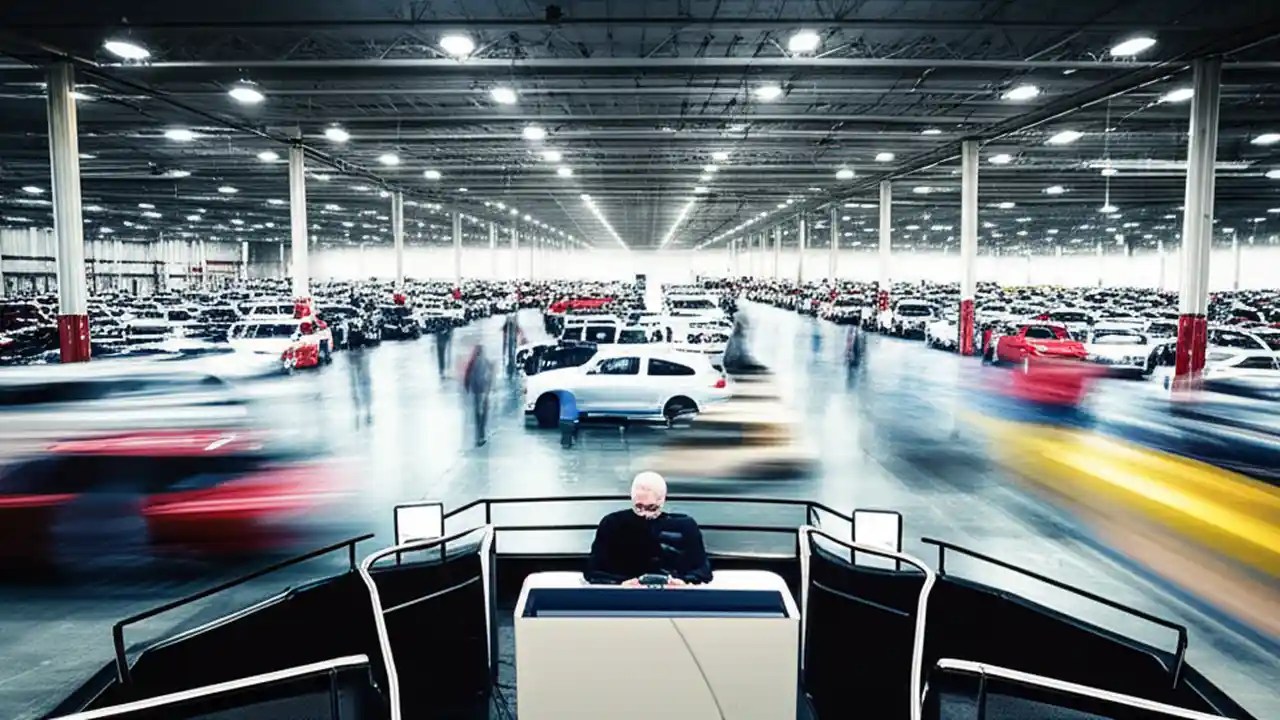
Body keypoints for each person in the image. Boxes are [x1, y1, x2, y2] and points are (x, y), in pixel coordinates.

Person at [585, 472, 712, 586]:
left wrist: (683, 582)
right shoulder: (612, 524)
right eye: (639, 507)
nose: (645, 513)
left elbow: (703, 571)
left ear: (662, 499)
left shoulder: (685, 526)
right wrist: (621, 583)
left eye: (652, 507)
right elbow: (593, 571)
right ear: (632, 498)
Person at [462, 344, 493, 446]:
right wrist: (489, 388)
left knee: (478, 413)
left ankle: (479, 435)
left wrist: (467, 387)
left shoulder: (473, 362)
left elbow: (467, 375)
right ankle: (481, 434)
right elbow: (489, 376)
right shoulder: (485, 362)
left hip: (477, 391)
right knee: (483, 413)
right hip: (483, 391)